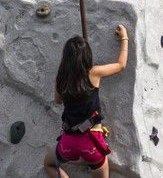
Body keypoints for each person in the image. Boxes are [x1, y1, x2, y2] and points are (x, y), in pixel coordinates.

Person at [43, 25, 129, 178]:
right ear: (87, 57)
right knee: (99, 165)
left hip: (68, 143)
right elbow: (121, 65)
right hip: (91, 143)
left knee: (48, 164)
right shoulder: (94, 73)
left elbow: (57, 100)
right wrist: (124, 38)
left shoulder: (61, 80)